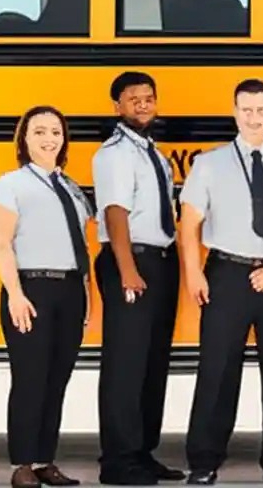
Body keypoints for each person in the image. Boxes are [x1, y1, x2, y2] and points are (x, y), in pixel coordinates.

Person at [180, 79, 263, 485]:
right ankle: (203, 461)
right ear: (234, 112)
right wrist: (194, 272)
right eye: (246, 109)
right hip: (227, 274)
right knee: (217, 371)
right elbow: (188, 225)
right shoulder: (209, 164)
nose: (254, 117)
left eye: (261, 109)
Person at [0, 106, 91, 488]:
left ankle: (46, 459)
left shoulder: (71, 187)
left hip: (69, 291)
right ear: (24, 139)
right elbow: (0, 242)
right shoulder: (9, 185)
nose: (49, 139)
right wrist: (15, 294)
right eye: (39, 132)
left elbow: (81, 248)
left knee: (57, 380)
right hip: (31, 289)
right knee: (30, 378)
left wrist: (87, 297)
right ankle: (23, 465)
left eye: (56, 132)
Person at [92, 72, 185, 485]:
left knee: (152, 362)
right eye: (134, 99)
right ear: (117, 106)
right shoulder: (114, 153)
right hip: (131, 261)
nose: (143, 105)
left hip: (159, 261)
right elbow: (115, 212)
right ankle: (118, 460)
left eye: (149, 98)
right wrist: (127, 269)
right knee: (126, 364)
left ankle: (142, 451)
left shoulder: (153, 153)